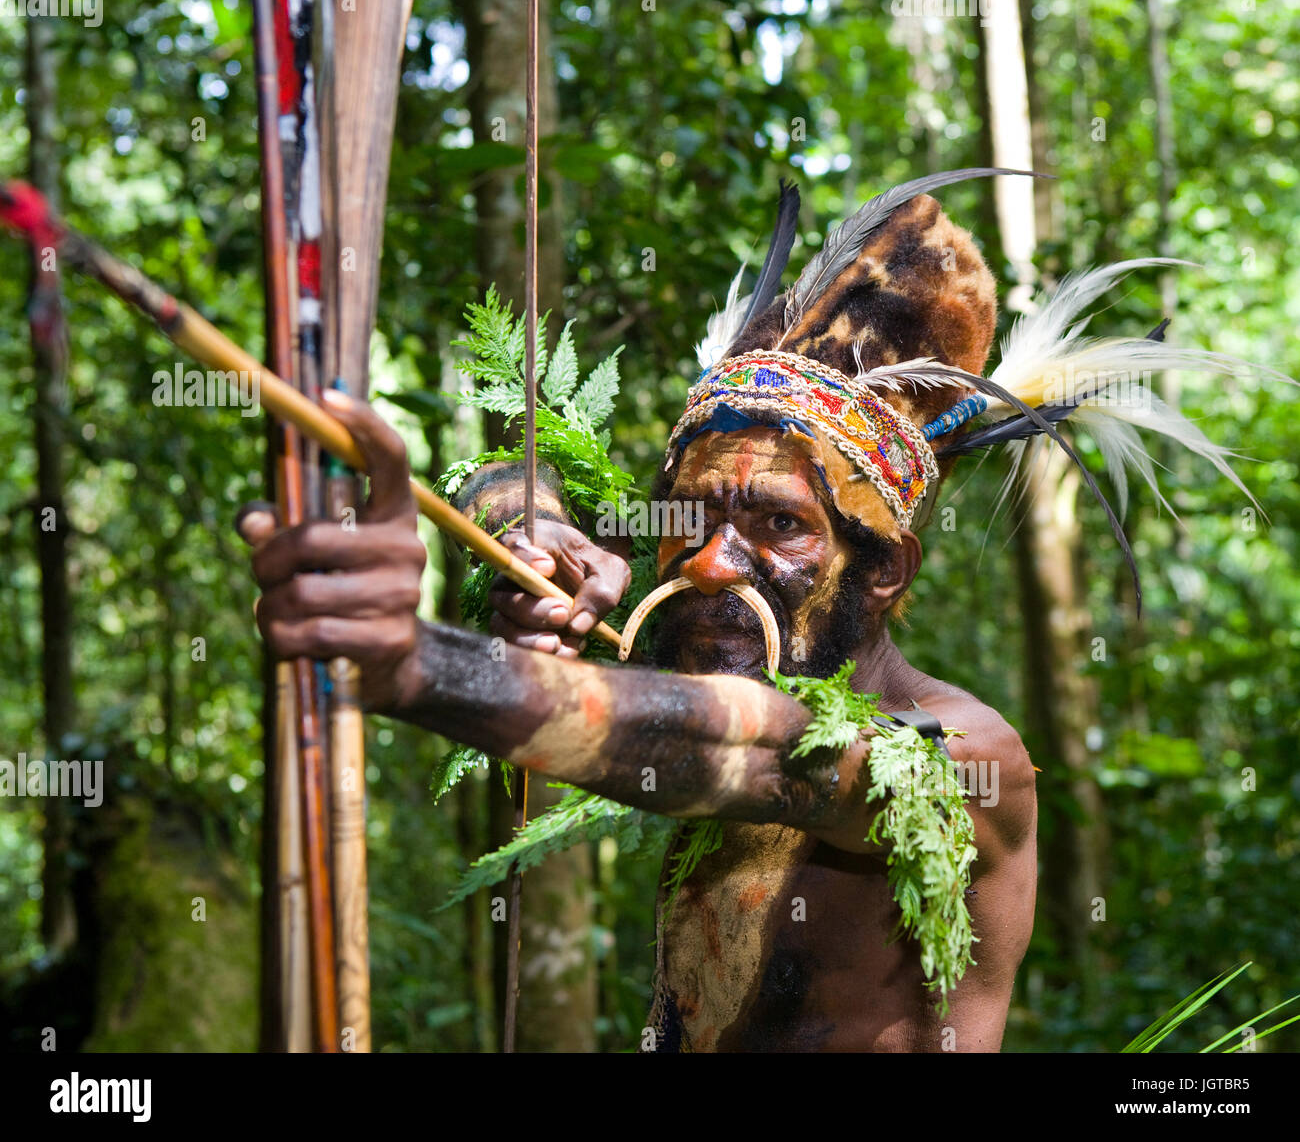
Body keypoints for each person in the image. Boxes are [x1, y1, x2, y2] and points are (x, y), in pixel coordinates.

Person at [238, 173, 1254, 1051]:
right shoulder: (715, 654)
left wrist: (413, 664)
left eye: (778, 524)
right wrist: (544, 538)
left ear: (886, 569)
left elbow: (744, 755)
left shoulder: (959, 757)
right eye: (693, 519)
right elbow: (500, 472)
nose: (719, 563)